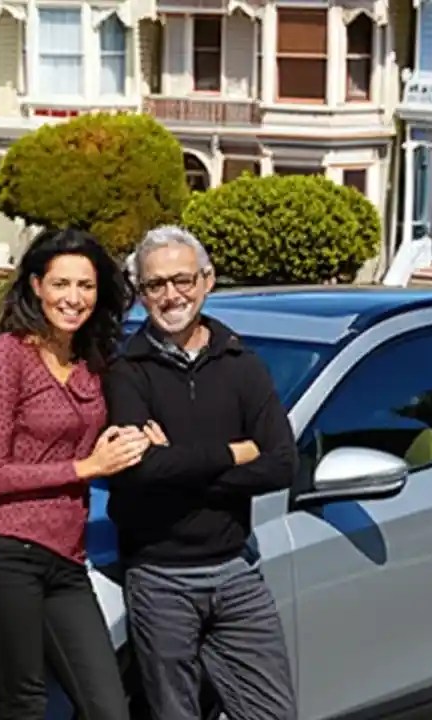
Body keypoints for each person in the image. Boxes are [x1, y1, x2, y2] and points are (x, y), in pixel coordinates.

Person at [103, 225, 299, 720]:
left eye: (183, 280)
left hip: (237, 571)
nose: (171, 295)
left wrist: (178, 461)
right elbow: (139, 471)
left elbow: (282, 463)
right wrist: (235, 452)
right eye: (155, 285)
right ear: (140, 294)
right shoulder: (126, 370)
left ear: (207, 281)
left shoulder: (243, 364)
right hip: (159, 578)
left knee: (272, 713)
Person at [0, 227, 149, 720]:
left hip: (66, 563)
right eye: (61, 284)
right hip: (5, 556)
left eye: (85, 286)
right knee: (23, 707)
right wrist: (87, 467)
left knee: (108, 708)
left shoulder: (91, 360)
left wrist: (144, 437)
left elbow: (103, 437)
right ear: (36, 286)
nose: (73, 298)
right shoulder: (7, 355)